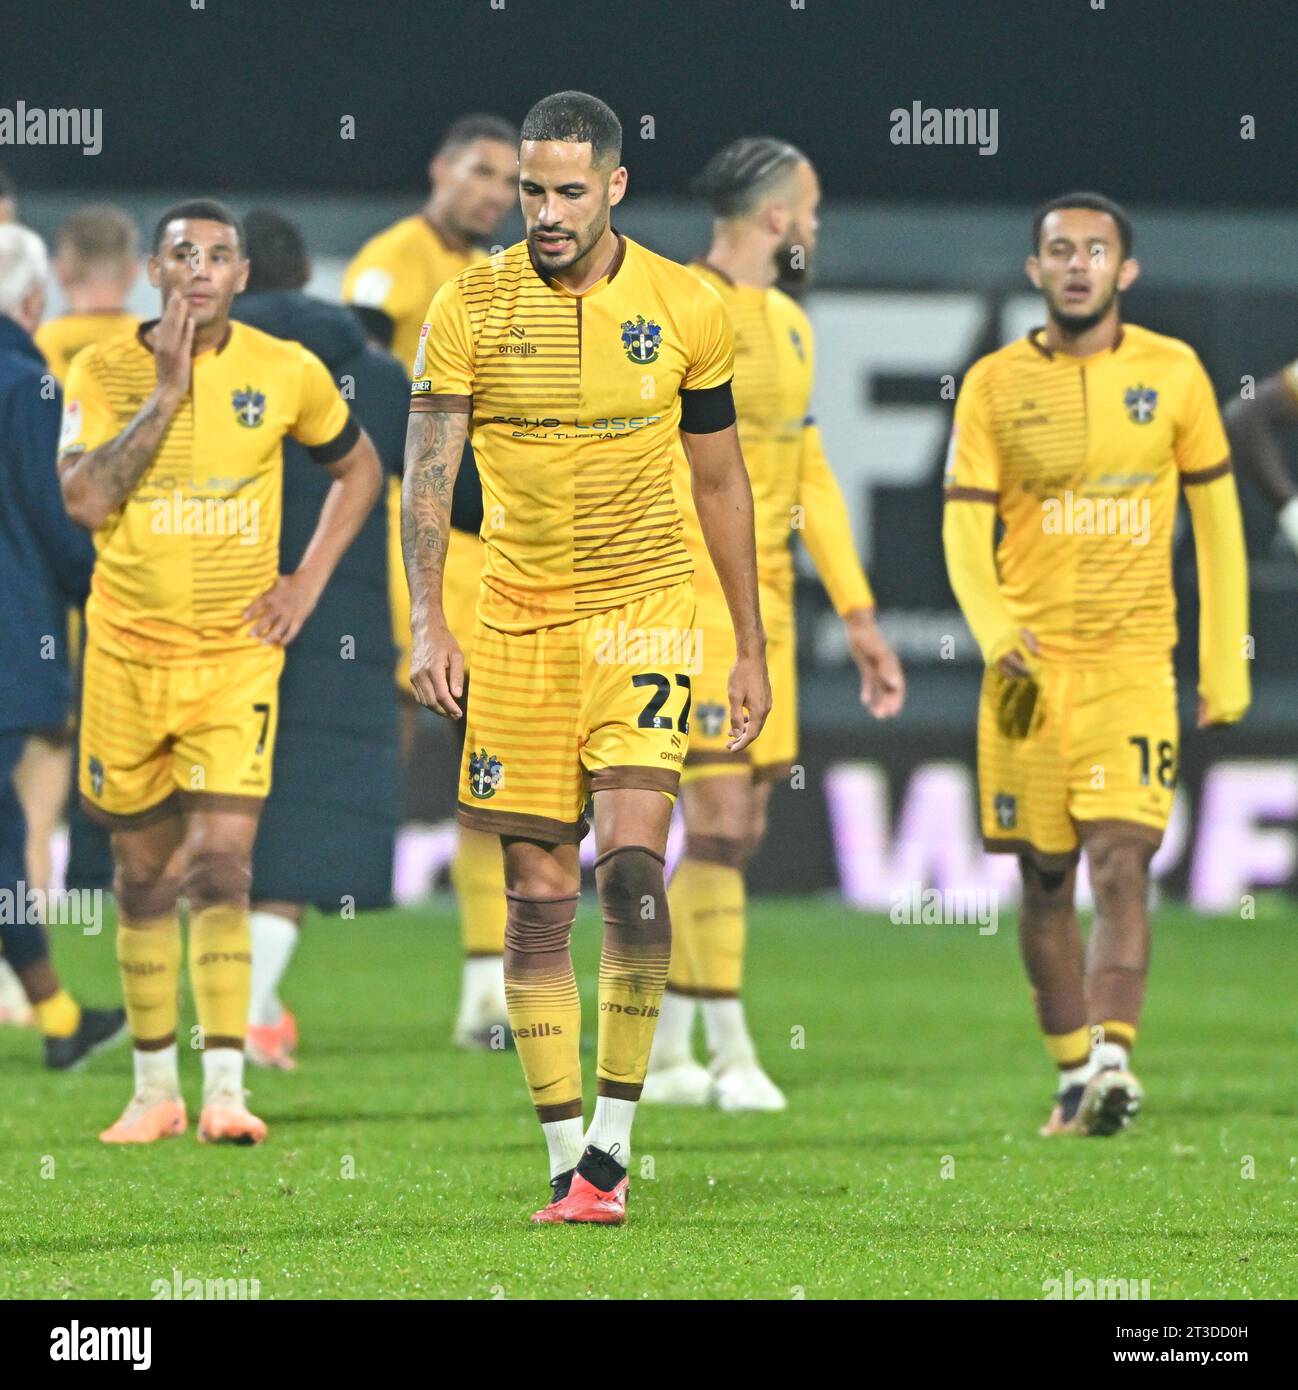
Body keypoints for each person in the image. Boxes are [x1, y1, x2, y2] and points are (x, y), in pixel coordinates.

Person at [403, 90, 770, 1224]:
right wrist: (428, 617)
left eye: (569, 190)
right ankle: (564, 1155)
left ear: (613, 186)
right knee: (535, 893)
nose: (547, 212)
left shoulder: (685, 304)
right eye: (531, 190)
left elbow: (718, 480)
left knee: (629, 867)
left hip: (644, 610)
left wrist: (747, 642)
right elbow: (425, 475)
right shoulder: (467, 306)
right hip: (514, 619)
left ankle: (613, 1142)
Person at [58, 199, 383, 1145]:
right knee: (142, 872)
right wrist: (164, 395)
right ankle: (154, 1088)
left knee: (227, 867)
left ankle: (228, 1090)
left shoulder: (286, 370)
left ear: (244, 276)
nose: (200, 269)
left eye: (219, 256)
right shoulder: (104, 368)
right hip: (125, 653)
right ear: (154, 273)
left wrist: (307, 582)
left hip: (236, 656)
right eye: (182, 255)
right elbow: (83, 499)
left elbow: (359, 470)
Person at [942, 192, 1250, 1136]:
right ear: (1036, 272)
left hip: (1130, 665)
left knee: (1122, 861)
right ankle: (1074, 1069)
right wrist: (995, 628)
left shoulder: (1176, 372)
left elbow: (1218, 524)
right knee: (1044, 877)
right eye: (1060, 251)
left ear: (1127, 272)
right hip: (1027, 675)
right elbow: (963, 520)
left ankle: (1115, 1053)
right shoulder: (994, 384)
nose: (1078, 265)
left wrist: (1225, 659)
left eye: (1097, 251)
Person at [645, 138, 905, 1110]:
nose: (814, 226)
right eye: (810, 208)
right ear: (774, 217)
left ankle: (666, 1050)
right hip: (689, 598)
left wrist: (859, 613)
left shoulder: (790, 325)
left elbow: (810, 477)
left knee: (738, 825)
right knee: (711, 818)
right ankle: (731, 1048)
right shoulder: (671, 304)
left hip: (767, 611)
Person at [343, 114, 519, 1047]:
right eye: (482, 172)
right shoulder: (391, 262)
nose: (494, 193)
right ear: (439, 168)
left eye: (509, 180)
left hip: (489, 539)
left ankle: (484, 993)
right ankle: (256, 978)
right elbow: (355, 400)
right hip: (413, 543)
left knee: (485, 760)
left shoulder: (502, 277)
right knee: (384, 749)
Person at [229, 209, 407, 1070]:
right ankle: (252, 1002)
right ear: (303, 273)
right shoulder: (374, 375)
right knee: (305, 827)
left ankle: (223, 1013)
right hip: (343, 622)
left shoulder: (194, 362)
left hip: (217, 611)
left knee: (216, 815)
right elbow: (471, 496)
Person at [0, 222, 125, 1066]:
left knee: (5, 827)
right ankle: (56, 1017)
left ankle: (56, 1016)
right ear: (33, 301)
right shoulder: (26, 386)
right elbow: (53, 518)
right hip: (12, 637)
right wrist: (112, 584)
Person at [35, 204, 140, 384]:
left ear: (61, 272)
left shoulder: (38, 346)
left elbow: (43, 403)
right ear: (133, 272)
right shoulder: (160, 343)